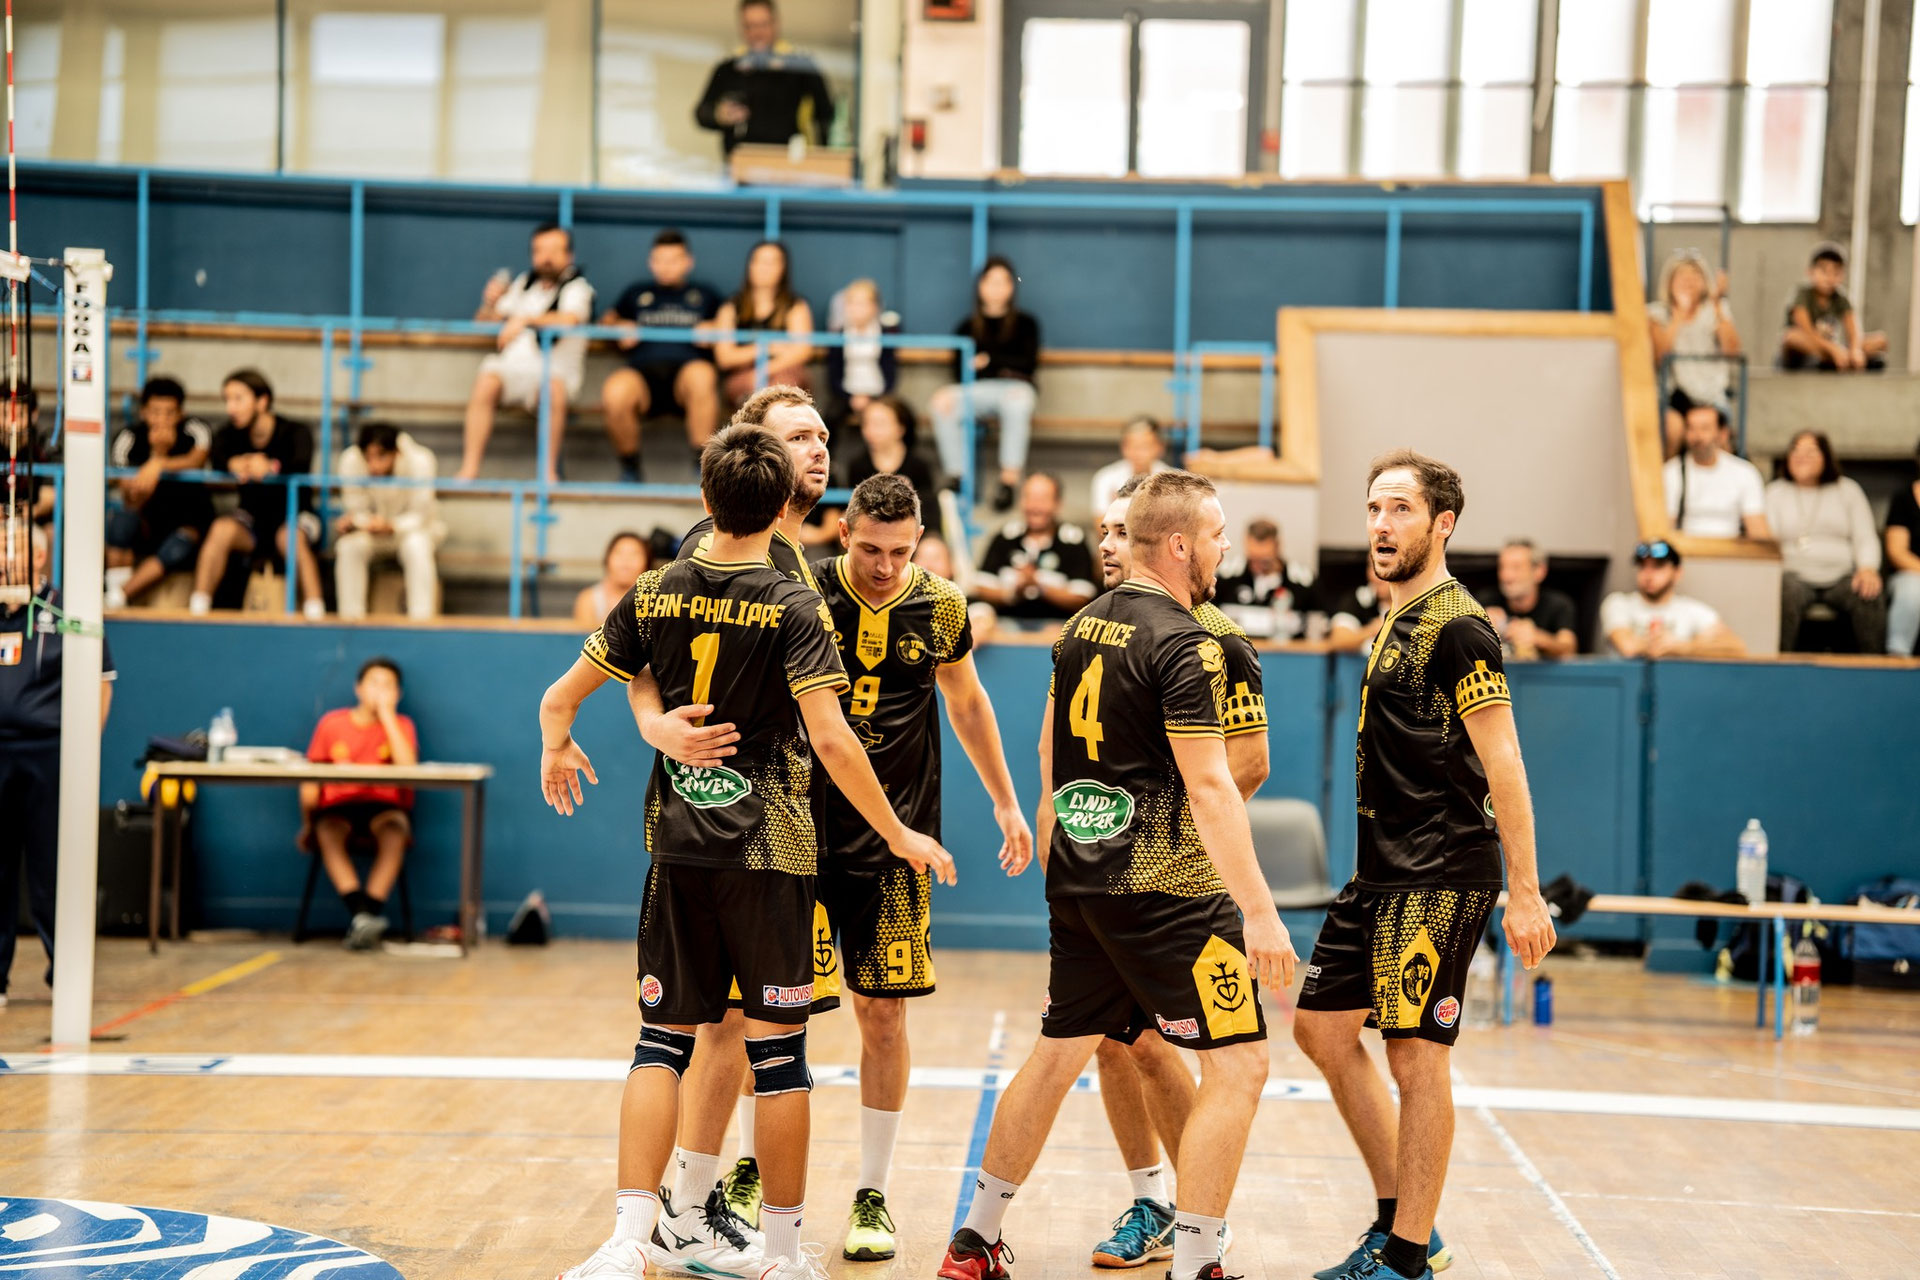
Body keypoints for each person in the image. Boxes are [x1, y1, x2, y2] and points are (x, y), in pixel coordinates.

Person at [537, 425, 954, 1280]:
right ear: (784, 515)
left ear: (703, 499)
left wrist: (559, 744)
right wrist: (897, 831)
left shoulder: (653, 588)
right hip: (773, 857)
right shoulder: (796, 603)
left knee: (660, 1044)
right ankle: (783, 1256)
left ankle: (627, 1241)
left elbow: (560, 697)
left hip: (680, 848)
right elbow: (835, 743)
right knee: (779, 1054)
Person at [937, 470, 1295, 1280]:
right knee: (1239, 1062)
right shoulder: (1189, 642)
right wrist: (1260, 911)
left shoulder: (1078, 629)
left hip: (1083, 880)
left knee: (1061, 1047)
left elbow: (1057, 755)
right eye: (1215, 534)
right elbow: (1212, 785)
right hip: (1168, 889)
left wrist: (1064, 839)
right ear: (1178, 544)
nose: (1224, 547)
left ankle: (976, 1239)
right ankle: (1198, 1258)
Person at [1293, 450, 1557, 1280]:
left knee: (1415, 1054)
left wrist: (1525, 891)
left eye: (1400, 509)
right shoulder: (1395, 619)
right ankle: (1401, 1216)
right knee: (1321, 1030)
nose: (1380, 524)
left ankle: (1407, 1253)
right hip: (1380, 873)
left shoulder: (1460, 629)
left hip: (1442, 873)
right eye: (1374, 507)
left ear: (1442, 525)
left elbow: (1505, 761)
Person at [625, 385, 840, 1245]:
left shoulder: (800, 563)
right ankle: (692, 1202)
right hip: (735, 830)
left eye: (822, 435)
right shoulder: (716, 552)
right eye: (796, 437)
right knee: (732, 1033)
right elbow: (639, 659)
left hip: (787, 818)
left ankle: (694, 1202)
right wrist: (650, 725)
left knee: (733, 1033)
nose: (814, 451)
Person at [805, 473, 1033, 1260]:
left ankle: (873, 1192)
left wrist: (1005, 799)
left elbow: (967, 702)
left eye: (900, 552)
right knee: (765, 1014)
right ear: (843, 534)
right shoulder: (801, 588)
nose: (883, 566)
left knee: (884, 1014)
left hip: (898, 844)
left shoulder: (938, 603)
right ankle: (745, 1167)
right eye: (870, 549)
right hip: (796, 835)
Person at [1082, 475, 1270, 1270]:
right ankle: (1153, 1200)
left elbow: (1249, 765)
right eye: (1102, 529)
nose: (1107, 543)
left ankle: (1197, 1223)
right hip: (1106, 882)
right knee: (1113, 1044)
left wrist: (1173, 837)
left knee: (1200, 1053)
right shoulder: (1093, 629)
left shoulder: (1216, 639)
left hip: (1182, 888)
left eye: (1121, 529)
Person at [0, 523, 115, 1012]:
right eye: (1, 550)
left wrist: (83, 751)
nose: (8, 558)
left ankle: (66, 977)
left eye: (17, 549)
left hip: (50, 753)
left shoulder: (68, 611)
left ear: (40, 556)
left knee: (53, 869)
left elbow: (102, 681)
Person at [457, 223, 595, 484]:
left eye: (554, 250)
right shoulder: (523, 284)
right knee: (487, 379)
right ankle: (469, 469)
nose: (546, 258)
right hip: (513, 370)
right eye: (540, 250)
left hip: (554, 374)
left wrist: (524, 320)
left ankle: (548, 474)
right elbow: (484, 322)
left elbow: (569, 319)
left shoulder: (579, 288)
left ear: (569, 255)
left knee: (552, 389)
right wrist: (489, 302)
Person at [297, 657, 418, 951]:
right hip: (339, 805)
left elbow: (408, 768)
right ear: (358, 688)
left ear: (398, 694)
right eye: (374, 683)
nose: (380, 691)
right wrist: (307, 823)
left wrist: (387, 715)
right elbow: (310, 778)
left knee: (395, 830)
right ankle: (362, 915)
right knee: (328, 831)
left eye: (388, 686)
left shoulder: (402, 725)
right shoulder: (332, 723)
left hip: (382, 805)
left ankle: (366, 916)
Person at [189, 369, 324, 620]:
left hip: (296, 515)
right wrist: (234, 463)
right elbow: (216, 456)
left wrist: (271, 467)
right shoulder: (229, 434)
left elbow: (301, 461)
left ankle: (316, 610)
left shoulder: (294, 431)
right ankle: (198, 609)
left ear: (262, 401)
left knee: (290, 537)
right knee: (221, 529)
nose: (231, 408)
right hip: (252, 521)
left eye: (238, 399)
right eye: (227, 400)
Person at [603, 229, 724, 481]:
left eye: (673, 260)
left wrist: (716, 328)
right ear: (651, 262)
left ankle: (702, 468)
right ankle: (630, 467)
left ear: (688, 262)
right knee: (615, 390)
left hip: (686, 382)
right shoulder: (637, 293)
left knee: (702, 375)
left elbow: (732, 324)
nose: (666, 267)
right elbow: (606, 321)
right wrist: (617, 326)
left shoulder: (706, 295)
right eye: (659, 260)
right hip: (643, 379)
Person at [930, 257, 1042, 512]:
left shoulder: (1026, 324)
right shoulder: (967, 326)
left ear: (1012, 287)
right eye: (990, 281)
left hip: (1014, 389)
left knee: (1018, 403)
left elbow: (1027, 363)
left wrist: (989, 361)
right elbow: (958, 370)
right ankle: (957, 476)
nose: (996, 288)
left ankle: (1008, 481)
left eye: (1003, 282)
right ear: (980, 286)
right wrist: (996, 364)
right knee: (943, 400)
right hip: (978, 392)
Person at [1765, 430, 1884, 653]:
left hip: (1841, 577)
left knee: (1869, 594)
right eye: (1796, 450)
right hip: (1793, 576)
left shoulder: (1848, 490)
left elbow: (1865, 536)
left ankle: (1874, 665)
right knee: (1783, 593)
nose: (1801, 457)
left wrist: (1868, 569)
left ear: (1826, 457)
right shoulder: (1774, 493)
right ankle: (1777, 663)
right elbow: (1766, 542)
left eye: (1810, 451)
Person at [105, 376, 215, 609]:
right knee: (120, 523)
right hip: (146, 518)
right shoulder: (128, 438)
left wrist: (160, 463)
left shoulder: (196, 430)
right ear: (144, 412)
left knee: (180, 543)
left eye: (169, 413)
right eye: (155, 412)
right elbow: (130, 496)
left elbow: (197, 459)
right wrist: (156, 454)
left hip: (189, 520)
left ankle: (119, 596)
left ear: (180, 413)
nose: (162, 419)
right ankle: (118, 598)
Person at [693, 0, 834, 159]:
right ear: (741, 27)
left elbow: (827, 117)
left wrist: (824, 162)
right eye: (750, 26)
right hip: (739, 164)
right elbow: (701, 113)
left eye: (763, 24)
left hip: (789, 164)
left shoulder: (799, 67)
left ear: (776, 23)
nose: (757, 32)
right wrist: (719, 115)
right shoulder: (729, 69)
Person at [334, 423, 445, 622]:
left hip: (411, 532)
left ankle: (421, 622)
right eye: (368, 458)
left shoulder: (421, 461)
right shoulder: (351, 461)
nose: (373, 466)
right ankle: (350, 622)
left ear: (397, 452)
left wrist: (392, 526)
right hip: (371, 532)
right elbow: (354, 504)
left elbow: (421, 514)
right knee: (348, 547)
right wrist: (358, 522)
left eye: (381, 456)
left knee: (417, 547)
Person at [804, 395, 940, 547]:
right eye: (867, 424)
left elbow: (929, 510)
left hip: (909, 535)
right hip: (872, 534)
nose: (871, 430)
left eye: (880, 424)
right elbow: (853, 510)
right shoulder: (858, 465)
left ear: (901, 427)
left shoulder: (918, 465)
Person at [1648, 250, 1740, 456]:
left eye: (1695, 275)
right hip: (1674, 396)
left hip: (1711, 394)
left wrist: (1718, 306)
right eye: (1681, 276)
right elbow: (1659, 356)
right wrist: (1678, 316)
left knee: (1719, 437)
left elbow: (1732, 350)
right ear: (1669, 282)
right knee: (1672, 429)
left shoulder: (1716, 309)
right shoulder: (1656, 314)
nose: (1688, 281)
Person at [972, 473, 1097, 622]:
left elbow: (1082, 598)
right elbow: (982, 588)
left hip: (1059, 632)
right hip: (1006, 631)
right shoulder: (1004, 537)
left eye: (1043, 499)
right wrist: (1014, 592)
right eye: (1029, 498)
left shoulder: (1074, 541)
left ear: (1058, 504)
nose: (1035, 506)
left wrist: (1038, 585)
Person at [1600, 541, 1746, 659]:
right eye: (1643, 566)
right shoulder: (1619, 603)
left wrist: (1684, 647)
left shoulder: (1692, 610)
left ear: (1677, 573)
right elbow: (1627, 647)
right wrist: (1696, 645)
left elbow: (1735, 648)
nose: (1648, 574)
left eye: (1658, 566)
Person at [714, 241, 814, 409]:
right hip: (743, 378)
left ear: (783, 268)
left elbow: (802, 351)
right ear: (749, 265)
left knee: (779, 389)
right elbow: (724, 357)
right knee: (751, 391)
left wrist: (763, 371)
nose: (763, 268)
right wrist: (767, 348)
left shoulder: (795, 306)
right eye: (758, 261)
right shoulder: (731, 307)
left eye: (771, 262)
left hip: (784, 376)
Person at [1663, 404, 1770, 540]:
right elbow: (1665, 528)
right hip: (1686, 553)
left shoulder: (1745, 472)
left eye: (1705, 428)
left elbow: (1758, 531)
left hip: (1732, 554)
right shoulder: (1670, 473)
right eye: (1691, 428)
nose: (1697, 436)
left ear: (1723, 434)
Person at [1779, 242, 1887, 372]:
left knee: (1880, 340)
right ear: (1810, 272)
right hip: (1807, 349)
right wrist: (1833, 350)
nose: (1829, 278)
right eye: (1824, 271)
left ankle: (1841, 359)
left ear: (1842, 275)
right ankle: (1835, 359)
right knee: (1791, 337)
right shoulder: (1802, 294)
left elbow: (1853, 330)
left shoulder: (1840, 297)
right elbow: (1806, 331)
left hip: (1831, 349)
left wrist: (1855, 350)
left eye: (1836, 272)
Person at [1215, 518, 1322, 640]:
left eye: (1265, 560)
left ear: (1277, 546)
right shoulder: (1226, 577)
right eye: (1253, 559)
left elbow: (1318, 631)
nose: (1258, 565)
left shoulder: (1303, 581)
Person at [822, 279, 900, 429]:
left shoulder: (885, 335)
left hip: (879, 393)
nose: (856, 309)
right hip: (846, 394)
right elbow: (833, 374)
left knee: (892, 416)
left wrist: (872, 397)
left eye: (862, 304)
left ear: (874, 307)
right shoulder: (839, 335)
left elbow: (891, 373)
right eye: (852, 304)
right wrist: (851, 397)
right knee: (830, 418)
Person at [1484, 539, 1579, 659]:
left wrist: (1538, 638)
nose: (1506, 576)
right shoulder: (1484, 602)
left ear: (1539, 571)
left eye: (1516, 567)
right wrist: (1481, 627)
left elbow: (1569, 648)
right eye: (1502, 567)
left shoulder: (1558, 605)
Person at [1090, 416, 1173, 515]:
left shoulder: (1171, 481)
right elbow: (1101, 524)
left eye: (1144, 446)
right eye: (1132, 446)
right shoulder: (1106, 477)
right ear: (1123, 447)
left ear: (1160, 447)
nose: (1137, 453)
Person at [1884, 439, 1920, 656]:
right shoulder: (1904, 498)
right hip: (1911, 573)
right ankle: (1898, 657)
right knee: (1914, 589)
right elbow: (1897, 551)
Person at [574, 531, 652, 628]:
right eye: (619, 553)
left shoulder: (656, 601)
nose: (626, 560)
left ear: (647, 563)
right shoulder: (588, 600)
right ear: (607, 559)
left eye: (635, 554)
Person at [1326, 561, 1391, 654]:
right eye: (1372, 567)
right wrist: (1372, 629)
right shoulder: (1359, 598)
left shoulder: (1414, 606)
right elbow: (1337, 641)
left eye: (1385, 567)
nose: (1376, 577)